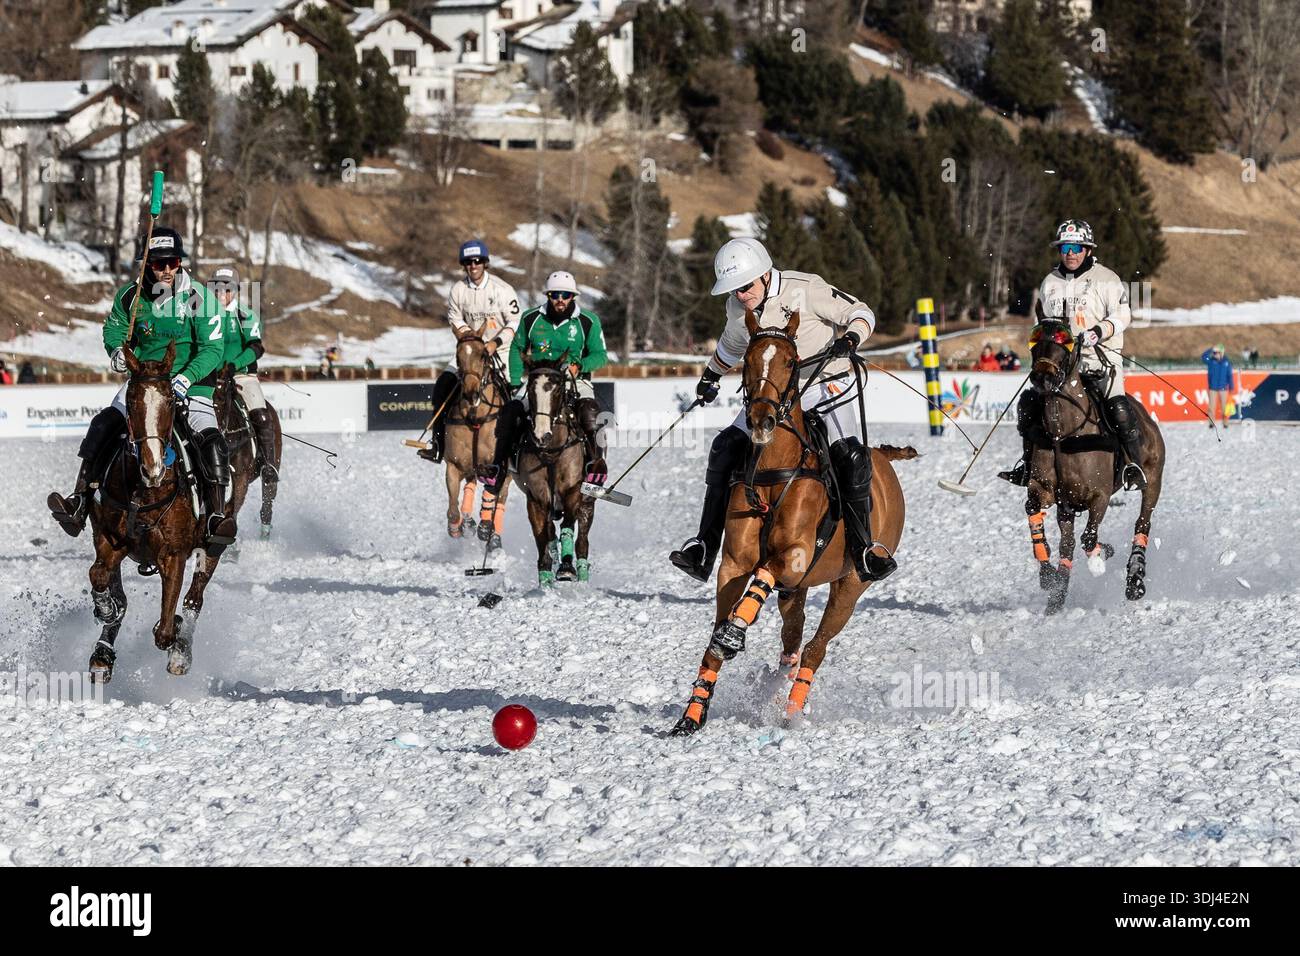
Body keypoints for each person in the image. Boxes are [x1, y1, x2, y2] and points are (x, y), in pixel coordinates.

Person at [668, 236, 895, 584]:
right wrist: (711, 374)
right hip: (770, 395)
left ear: (763, 273)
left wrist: (849, 339)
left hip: (822, 386)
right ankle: (704, 547)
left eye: (745, 286)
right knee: (724, 448)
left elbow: (860, 312)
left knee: (850, 457)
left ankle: (864, 549)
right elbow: (732, 344)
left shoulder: (806, 288)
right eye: (734, 290)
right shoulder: (736, 306)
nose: (741, 295)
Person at [47, 226, 235, 541]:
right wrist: (117, 351)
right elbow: (115, 329)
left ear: (180, 262)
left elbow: (213, 349)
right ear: (146, 263)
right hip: (144, 383)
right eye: (158, 263)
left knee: (211, 440)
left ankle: (215, 517)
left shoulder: (200, 298)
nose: (165, 270)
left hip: (194, 382)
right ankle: (80, 500)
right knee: (104, 424)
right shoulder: (131, 296)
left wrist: (185, 378)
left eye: (172, 262)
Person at [999, 219, 1146, 490]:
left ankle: (1132, 466)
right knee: (1028, 404)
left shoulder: (1107, 279)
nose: (1070, 253)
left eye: (1077, 247)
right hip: (1061, 364)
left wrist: (1098, 332)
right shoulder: (1049, 282)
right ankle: (1027, 465)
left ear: (1088, 249)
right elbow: (1042, 322)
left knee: (1119, 408)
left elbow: (1123, 314)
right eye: (1065, 247)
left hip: (1100, 359)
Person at [481, 270, 607, 488]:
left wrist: (581, 365)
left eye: (565, 295)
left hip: (573, 381)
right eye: (555, 294)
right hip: (538, 382)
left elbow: (600, 355)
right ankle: (498, 467)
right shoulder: (531, 318)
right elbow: (517, 348)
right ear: (548, 295)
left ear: (573, 297)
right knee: (511, 412)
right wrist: (515, 382)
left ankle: (595, 465)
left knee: (590, 412)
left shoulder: (588, 321)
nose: (560, 300)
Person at [419, 239, 521, 463]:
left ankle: (514, 448)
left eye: (477, 261)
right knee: (442, 386)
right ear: (464, 265)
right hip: (468, 351)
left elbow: (515, 321)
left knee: (512, 396)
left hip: (498, 352)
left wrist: (494, 343)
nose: (473, 266)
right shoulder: (458, 290)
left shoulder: (502, 290)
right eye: (468, 262)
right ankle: (438, 445)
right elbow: (454, 318)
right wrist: (471, 338)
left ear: (485, 263)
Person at [212, 266, 277, 478]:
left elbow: (256, 347)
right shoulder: (202, 316)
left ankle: (268, 464)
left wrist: (234, 365)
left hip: (241, 376)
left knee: (259, 411)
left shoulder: (245, 315)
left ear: (236, 290)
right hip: (210, 377)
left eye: (227, 288)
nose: (222, 293)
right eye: (218, 288)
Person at [1202, 344, 1234, 429]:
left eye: (1216, 352)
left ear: (1221, 353)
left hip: (1223, 389)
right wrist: (1211, 349)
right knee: (1211, 407)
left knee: (1225, 408)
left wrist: (1231, 387)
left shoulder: (1226, 363)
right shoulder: (1211, 361)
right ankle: (1211, 423)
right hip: (1213, 388)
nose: (1214, 354)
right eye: (1214, 353)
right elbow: (1203, 357)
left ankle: (1225, 423)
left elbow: (1229, 375)